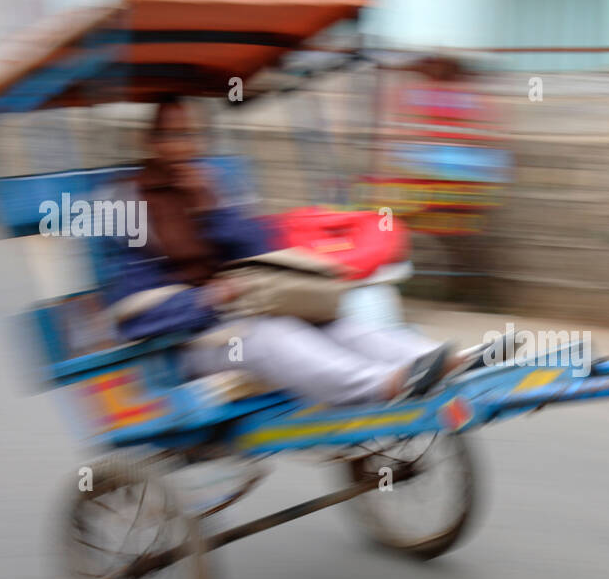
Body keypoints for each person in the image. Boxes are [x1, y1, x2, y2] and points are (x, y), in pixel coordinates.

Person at [100, 97, 475, 404]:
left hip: (241, 316)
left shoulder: (209, 188)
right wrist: (208, 299)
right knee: (272, 336)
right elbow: (135, 314)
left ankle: (438, 359)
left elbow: (263, 251)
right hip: (186, 345)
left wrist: (213, 209)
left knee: (334, 324)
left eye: (190, 135)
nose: (181, 146)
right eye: (169, 135)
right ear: (150, 141)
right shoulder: (130, 205)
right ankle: (383, 385)